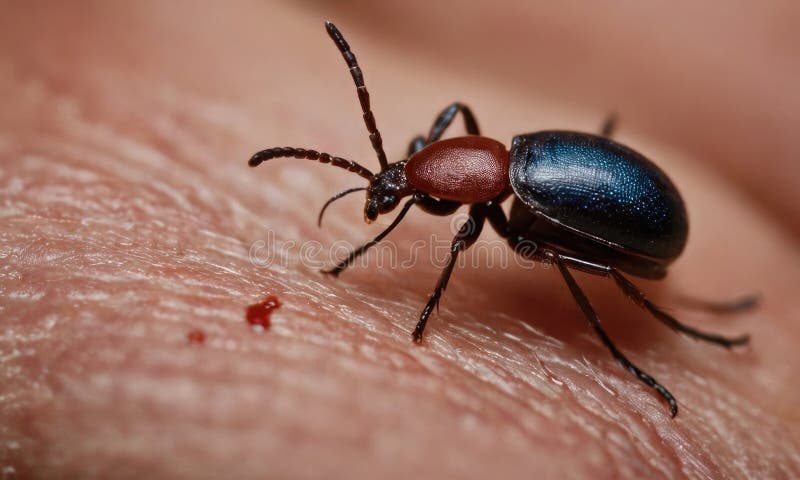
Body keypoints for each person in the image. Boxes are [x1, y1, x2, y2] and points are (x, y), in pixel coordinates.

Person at [2, 2, 798, 478]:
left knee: (562, 256)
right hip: (601, 183)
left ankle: (653, 339)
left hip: (639, 215)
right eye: (410, 183)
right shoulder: (485, 164)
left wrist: (431, 304)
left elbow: (456, 231)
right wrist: (397, 192)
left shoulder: (506, 189)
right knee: (552, 247)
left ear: (450, 181)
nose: (396, 196)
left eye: (410, 187)